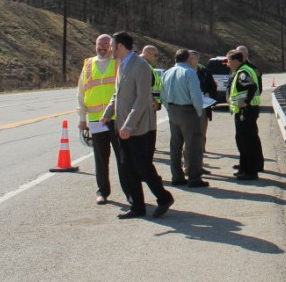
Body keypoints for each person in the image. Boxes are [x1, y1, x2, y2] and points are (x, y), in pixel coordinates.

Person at [101, 31, 174, 219]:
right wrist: (107, 114)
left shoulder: (140, 65)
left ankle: (164, 198)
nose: (109, 49)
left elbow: (143, 99)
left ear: (120, 46)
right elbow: (118, 94)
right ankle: (138, 206)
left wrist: (129, 125)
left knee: (142, 166)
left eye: (111, 45)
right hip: (123, 127)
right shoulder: (121, 64)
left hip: (138, 128)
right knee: (128, 167)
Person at [76, 34, 130, 205]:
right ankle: (102, 192)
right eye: (100, 44)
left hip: (116, 118)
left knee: (122, 157)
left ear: (112, 46)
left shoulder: (118, 63)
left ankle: (129, 193)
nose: (102, 47)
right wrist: (81, 118)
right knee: (100, 158)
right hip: (96, 120)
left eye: (106, 44)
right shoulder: (88, 65)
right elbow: (81, 92)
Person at [161, 48, 207, 188]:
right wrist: (199, 111)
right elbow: (196, 95)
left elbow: (162, 94)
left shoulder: (167, 73)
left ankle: (177, 176)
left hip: (173, 109)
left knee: (175, 145)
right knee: (193, 145)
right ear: (188, 59)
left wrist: (169, 108)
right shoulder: (189, 73)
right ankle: (194, 178)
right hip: (188, 110)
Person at [226, 49, 264, 181]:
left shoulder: (243, 72)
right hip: (244, 111)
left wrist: (245, 101)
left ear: (236, 61)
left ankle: (250, 172)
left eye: (229, 61)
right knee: (243, 140)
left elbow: (252, 87)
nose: (227, 64)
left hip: (246, 111)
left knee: (247, 142)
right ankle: (244, 168)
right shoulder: (242, 70)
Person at [140, 45, 163, 113]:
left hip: (150, 106)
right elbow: (142, 88)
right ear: (147, 54)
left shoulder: (146, 66)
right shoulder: (143, 66)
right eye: (155, 55)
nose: (157, 58)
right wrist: (153, 100)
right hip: (147, 107)